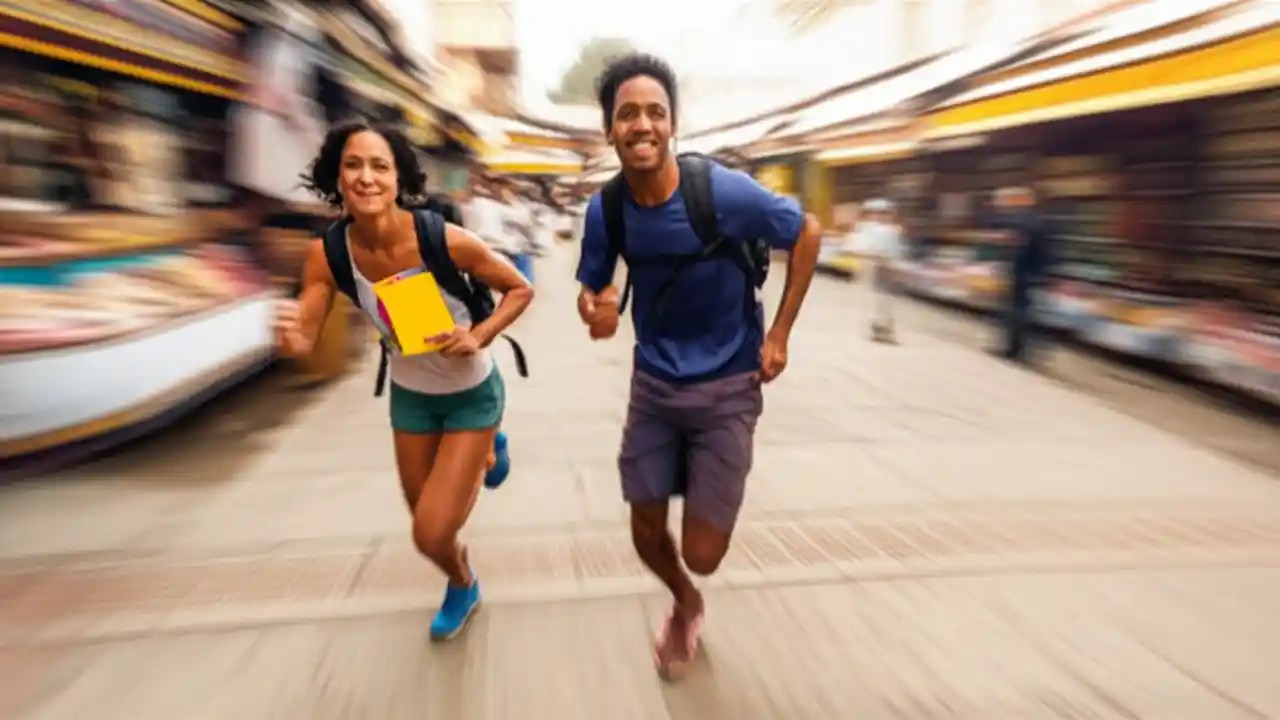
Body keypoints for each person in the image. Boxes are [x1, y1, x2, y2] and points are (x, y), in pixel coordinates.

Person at [575, 53, 821, 680]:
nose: (642, 125)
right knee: (645, 534)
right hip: (654, 386)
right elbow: (594, 288)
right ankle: (685, 604)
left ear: (673, 125)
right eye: (627, 114)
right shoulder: (606, 210)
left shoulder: (721, 192)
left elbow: (808, 231)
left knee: (703, 551)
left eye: (655, 112)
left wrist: (781, 334)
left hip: (729, 386)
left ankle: (699, 526)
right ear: (609, 130)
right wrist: (594, 309)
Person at [277, 120, 534, 641]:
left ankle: (488, 443)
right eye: (353, 165)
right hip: (411, 399)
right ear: (337, 177)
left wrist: (478, 335)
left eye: (380, 166)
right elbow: (304, 333)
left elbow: (519, 289)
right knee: (428, 534)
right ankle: (464, 581)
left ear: (398, 179)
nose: (366, 177)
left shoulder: (444, 239)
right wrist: (289, 340)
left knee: (433, 528)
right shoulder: (327, 254)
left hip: (470, 394)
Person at [988, 186, 1053, 363]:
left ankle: (1014, 351)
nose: (1000, 205)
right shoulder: (1033, 218)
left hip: (1023, 272)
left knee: (1018, 311)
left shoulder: (1025, 219)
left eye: (1003, 201)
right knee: (1022, 311)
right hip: (1029, 272)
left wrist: (1001, 241)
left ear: (1018, 200)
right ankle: (1017, 350)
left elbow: (1018, 242)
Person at [855, 198, 906, 343]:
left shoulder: (889, 230)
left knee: (883, 299)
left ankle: (882, 328)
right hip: (878, 265)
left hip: (883, 266)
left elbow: (895, 251)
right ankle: (880, 328)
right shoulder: (878, 229)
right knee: (880, 299)